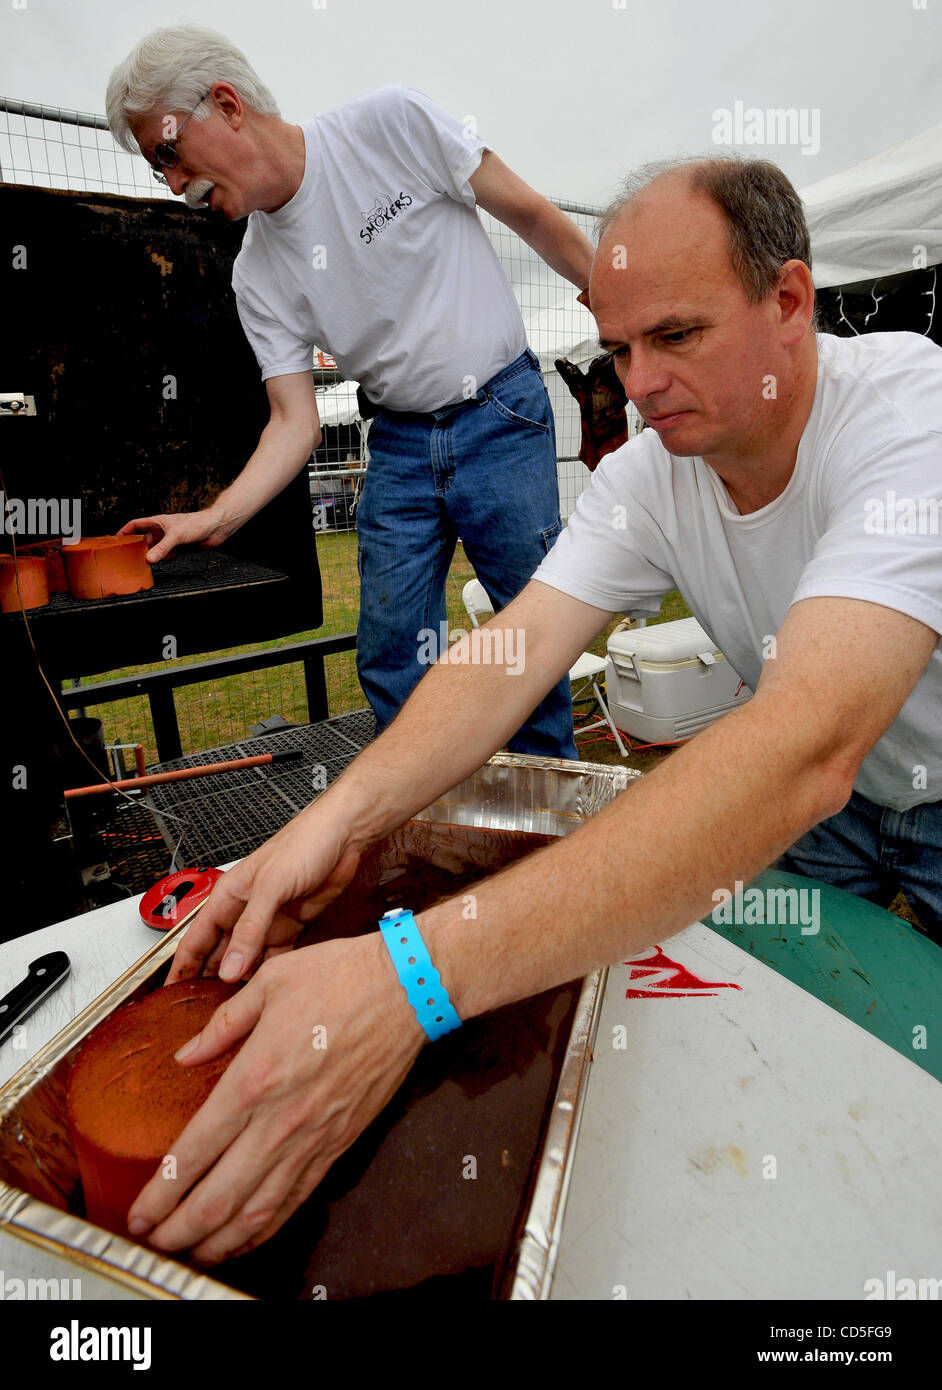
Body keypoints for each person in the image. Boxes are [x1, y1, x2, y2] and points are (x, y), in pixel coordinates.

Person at [122, 155, 942, 1266]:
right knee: (787, 1035)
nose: (638, 383)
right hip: (839, 811)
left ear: (789, 301)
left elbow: (805, 747)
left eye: (678, 335)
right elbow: (508, 654)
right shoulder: (652, 473)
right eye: (618, 349)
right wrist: (338, 819)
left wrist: (411, 979)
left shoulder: (912, 421)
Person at [106, 24, 596, 758]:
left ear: (227, 104)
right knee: (392, 652)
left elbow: (527, 212)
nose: (173, 183)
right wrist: (214, 518)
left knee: (532, 637)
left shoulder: (391, 122)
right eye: (157, 170)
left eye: (168, 153)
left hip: (501, 410)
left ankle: (552, 837)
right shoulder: (256, 274)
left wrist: (615, 305)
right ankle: (428, 823)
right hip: (398, 443)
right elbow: (293, 423)